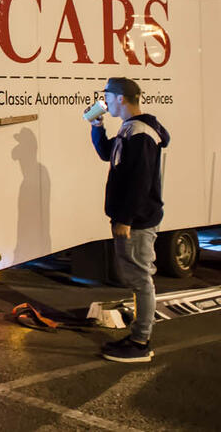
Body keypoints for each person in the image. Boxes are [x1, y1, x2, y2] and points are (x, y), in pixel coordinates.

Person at [89, 76, 169, 364]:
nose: (105, 101)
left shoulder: (142, 133)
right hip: (132, 218)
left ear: (121, 98)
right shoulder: (129, 129)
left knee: (140, 280)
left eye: (107, 96)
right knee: (136, 278)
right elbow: (107, 155)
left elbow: (140, 182)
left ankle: (140, 343)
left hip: (138, 221)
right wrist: (97, 127)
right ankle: (138, 335)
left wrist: (125, 219)